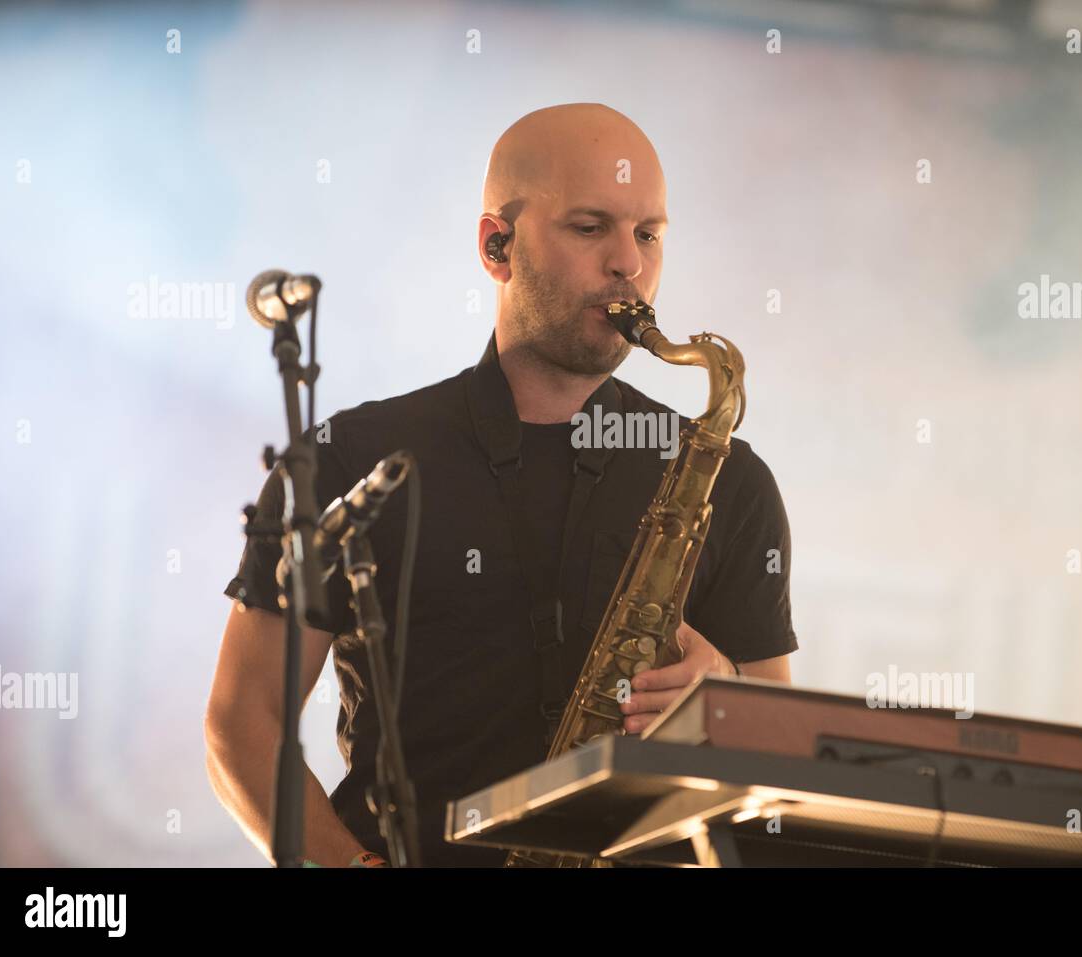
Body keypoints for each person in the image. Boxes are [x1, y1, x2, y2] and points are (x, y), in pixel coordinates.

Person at [204, 103, 798, 867]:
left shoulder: (731, 480)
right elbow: (243, 723)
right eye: (591, 227)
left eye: (649, 233)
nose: (630, 264)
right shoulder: (350, 457)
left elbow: (787, 752)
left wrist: (724, 690)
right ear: (497, 244)